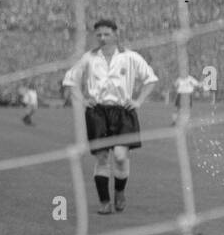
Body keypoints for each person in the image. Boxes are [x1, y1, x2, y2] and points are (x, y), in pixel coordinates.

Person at [63, 19, 158, 214]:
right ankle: (105, 202)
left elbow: (151, 80)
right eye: (98, 35)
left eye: (106, 34)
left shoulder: (130, 57)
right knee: (102, 157)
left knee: (121, 156)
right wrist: (82, 100)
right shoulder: (89, 58)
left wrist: (138, 101)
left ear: (116, 34)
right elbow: (71, 81)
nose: (102, 38)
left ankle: (120, 191)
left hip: (123, 111)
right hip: (97, 112)